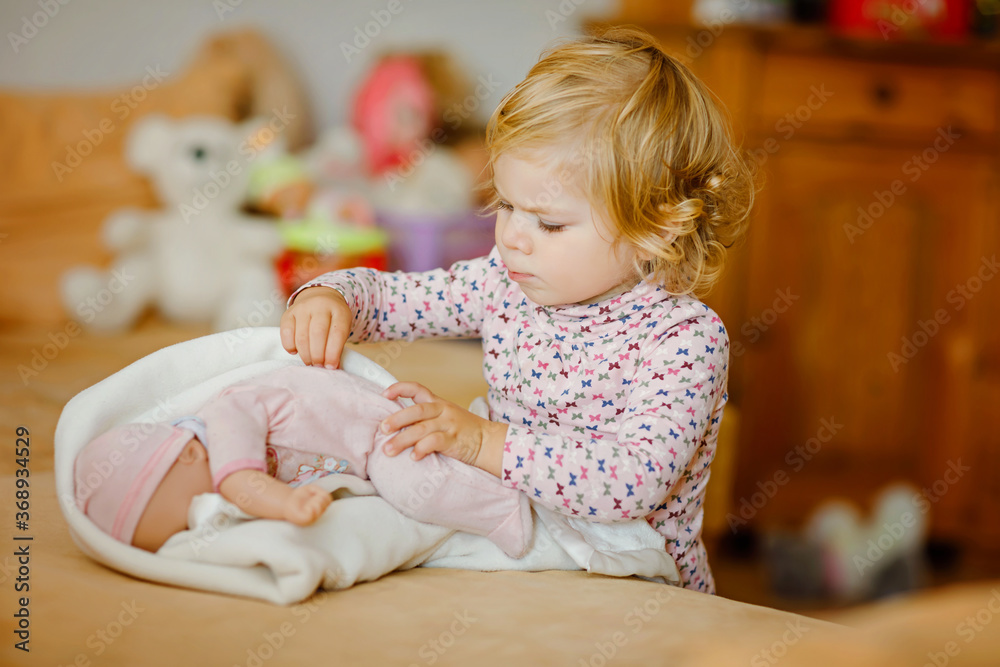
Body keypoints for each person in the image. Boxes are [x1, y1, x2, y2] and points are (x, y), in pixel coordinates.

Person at [280, 27, 754, 593]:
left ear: (656, 226)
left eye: (549, 222)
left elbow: (632, 481)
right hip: (509, 527)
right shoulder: (505, 281)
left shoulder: (683, 339)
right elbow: (400, 299)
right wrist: (334, 296)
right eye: (506, 204)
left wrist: (480, 442)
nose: (514, 237)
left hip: (627, 572)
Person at [74, 365, 532, 555]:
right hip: (359, 450)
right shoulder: (204, 456)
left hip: (372, 433)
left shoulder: (225, 417)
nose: (206, 513)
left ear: (189, 451)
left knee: (415, 491)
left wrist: (287, 508)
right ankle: (476, 439)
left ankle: (511, 509)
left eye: (193, 505)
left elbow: (242, 485)